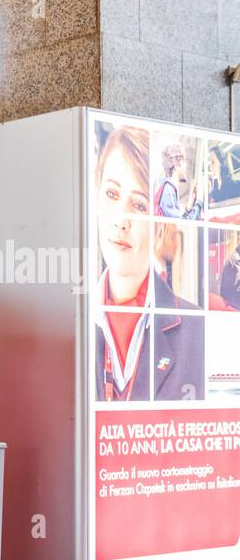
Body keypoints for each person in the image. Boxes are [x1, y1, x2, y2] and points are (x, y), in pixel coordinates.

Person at [94, 126, 204, 402]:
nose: (121, 219)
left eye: (140, 206)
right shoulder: (65, 321)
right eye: (111, 194)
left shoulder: (196, 330)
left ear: (157, 229)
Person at [154, 142, 202, 220]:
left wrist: (189, 204)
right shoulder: (169, 190)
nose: (186, 166)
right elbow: (182, 224)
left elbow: (178, 220)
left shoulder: (168, 188)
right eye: (185, 161)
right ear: (176, 165)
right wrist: (199, 201)